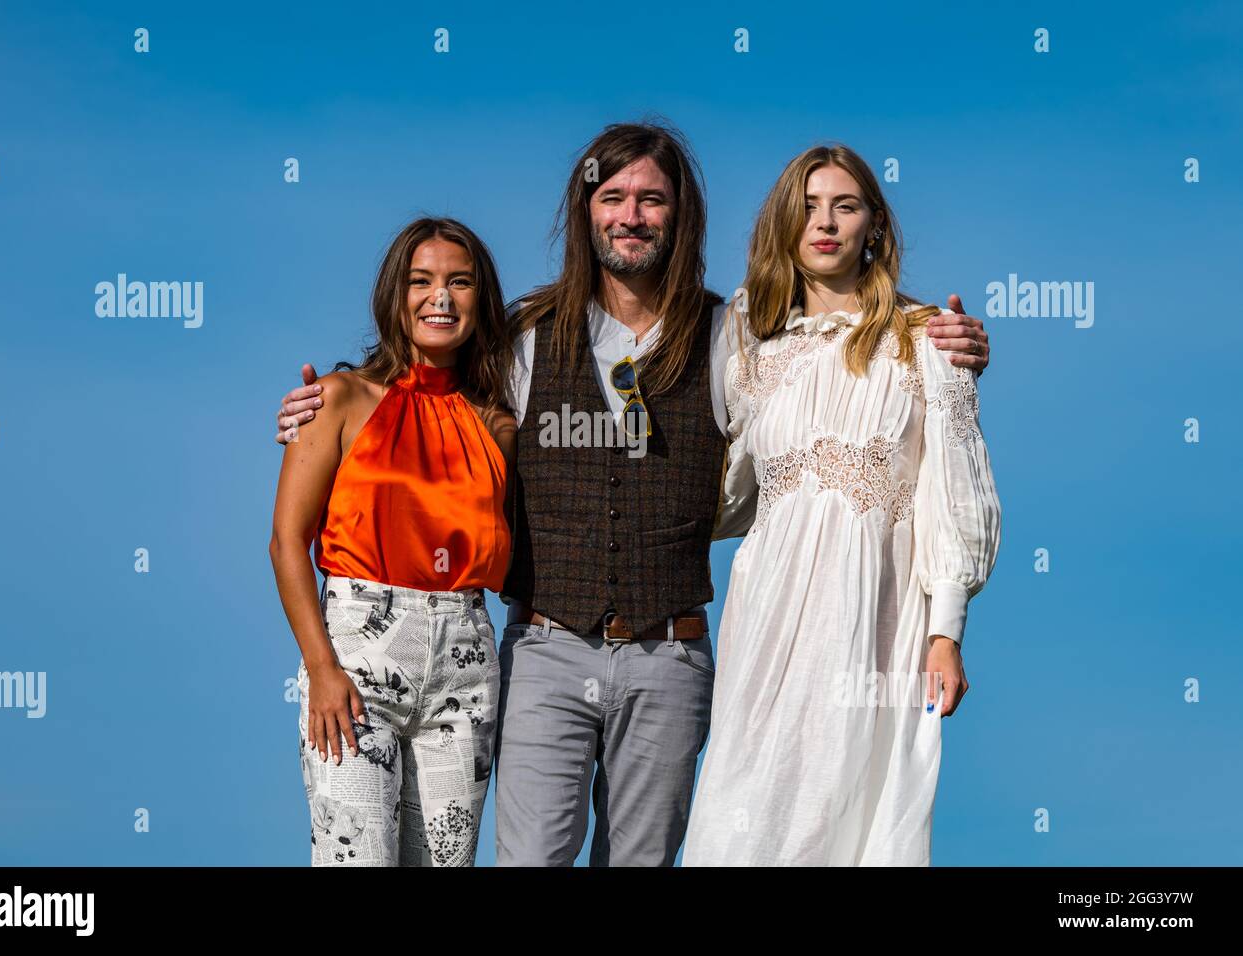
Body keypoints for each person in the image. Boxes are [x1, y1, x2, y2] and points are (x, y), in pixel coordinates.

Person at [275, 121, 993, 867]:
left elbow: (830, 360)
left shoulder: (732, 333)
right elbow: (432, 383)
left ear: (679, 214)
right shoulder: (526, 336)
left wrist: (951, 343)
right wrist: (326, 401)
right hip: (545, 652)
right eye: (612, 196)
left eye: (652, 199)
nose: (630, 215)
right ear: (585, 210)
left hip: (669, 659)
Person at [681, 145, 1003, 866]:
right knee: (748, 800)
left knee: (852, 808)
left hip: (878, 616)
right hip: (767, 616)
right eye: (808, 207)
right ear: (783, 226)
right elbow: (721, 498)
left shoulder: (925, 338)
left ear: (874, 227)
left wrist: (945, 630)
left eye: (845, 206)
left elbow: (954, 484)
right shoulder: (748, 349)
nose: (824, 223)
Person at [269, 217, 516, 866]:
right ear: (393, 296)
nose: (440, 297)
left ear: (479, 301)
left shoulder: (499, 426)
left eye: (459, 282)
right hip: (356, 656)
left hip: (465, 660)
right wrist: (322, 670)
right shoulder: (337, 399)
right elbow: (287, 542)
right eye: (421, 281)